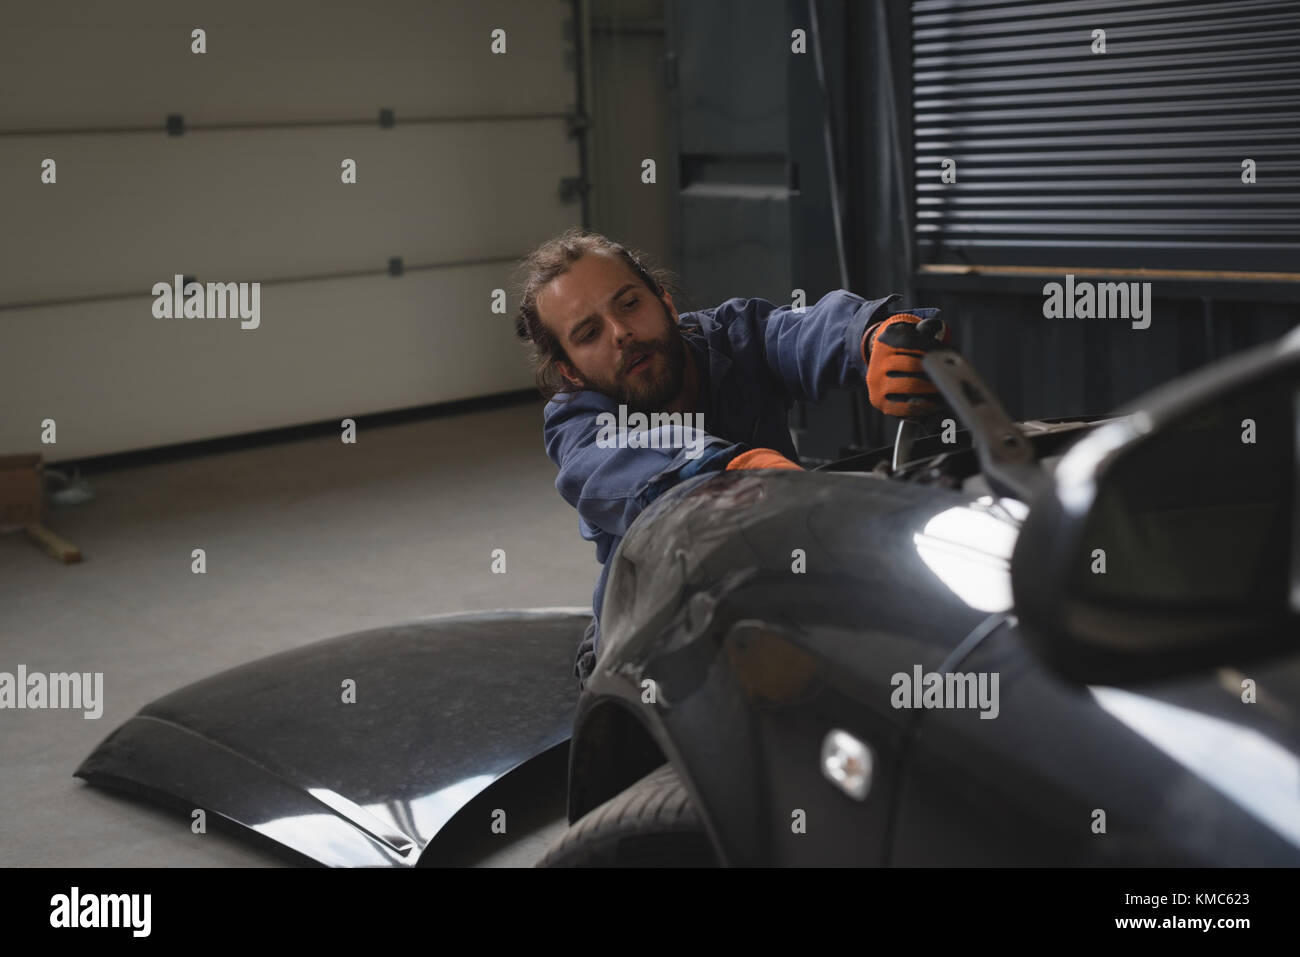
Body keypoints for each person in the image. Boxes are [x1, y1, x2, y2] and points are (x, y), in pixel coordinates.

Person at [513, 228, 950, 687]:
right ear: (570, 371)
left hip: (783, 580)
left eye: (629, 304)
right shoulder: (576, 423)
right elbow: (613, 466)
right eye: (589, 333)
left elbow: (805, 332)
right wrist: (729, 470)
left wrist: (876, 337)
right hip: (652, 637)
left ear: (665, 302)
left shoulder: (738, 337)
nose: (621, 333)